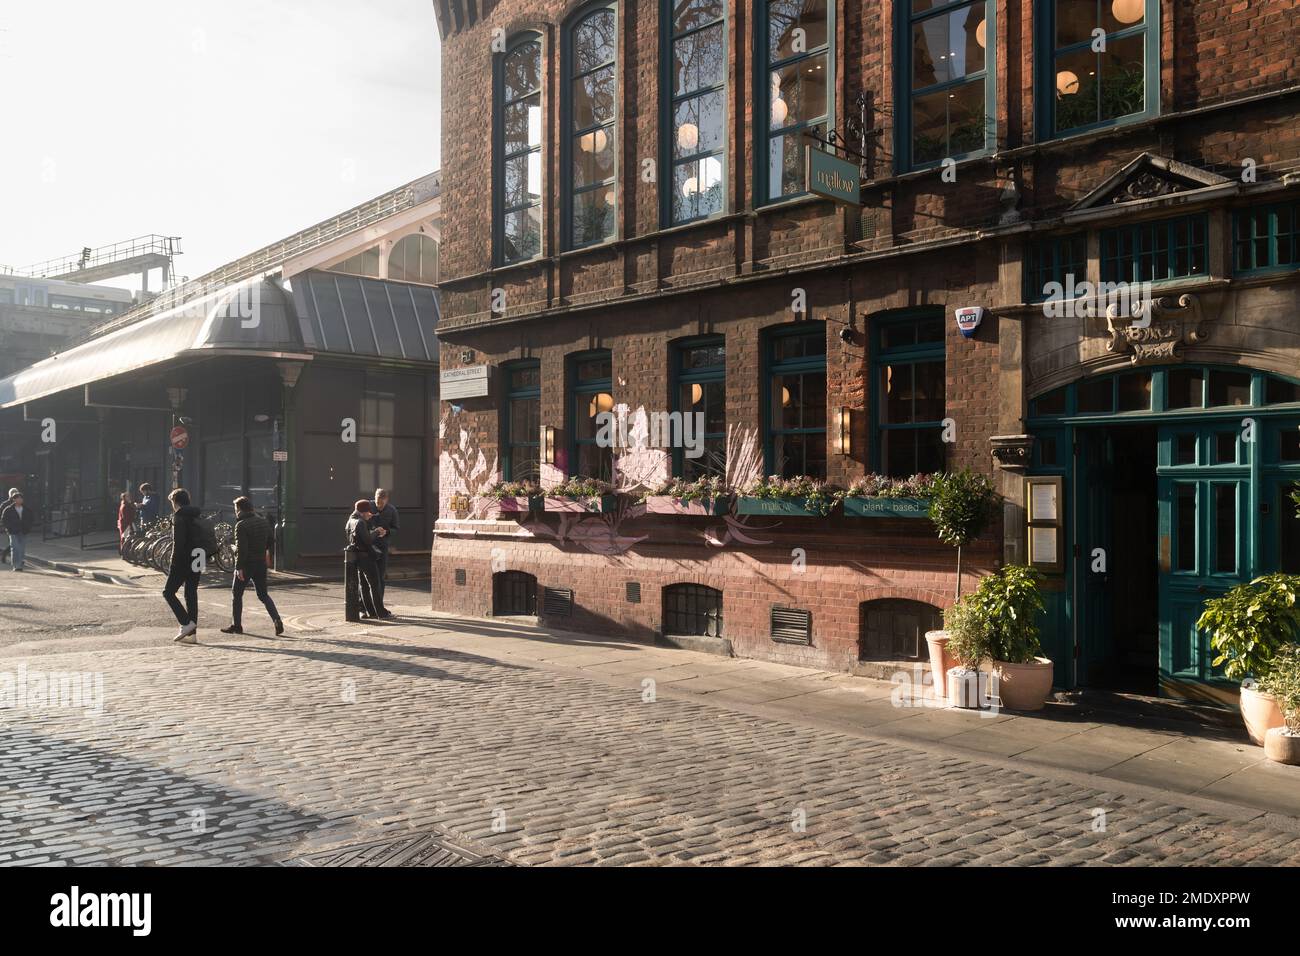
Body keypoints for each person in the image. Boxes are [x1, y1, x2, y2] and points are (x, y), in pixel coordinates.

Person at [221, 497, 283, 636]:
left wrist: (238, 567)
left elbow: (242, 549)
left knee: (237, 594)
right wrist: (261, 550)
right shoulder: (263, 522)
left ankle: (236, 625)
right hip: (260, 563)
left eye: (236, 509)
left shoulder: (241, 525)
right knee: (263, 595)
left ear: (240, 509)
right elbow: (271, 540)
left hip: (246, 564)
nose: (235, 512)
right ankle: (277, 619)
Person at [162, 488, 202, 644]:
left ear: (175, 501)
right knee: (191, 593)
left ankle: (186, 623)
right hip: (200, 556)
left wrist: (173, 561)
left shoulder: (179, 516)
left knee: (168, 592)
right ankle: (192, 635)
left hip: (184, 558)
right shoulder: (197, 514)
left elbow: (178, 542)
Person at [345, 499, 381, 619]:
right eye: (368, 512)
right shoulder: (360, 523)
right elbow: (368, 540)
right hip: (366, 557)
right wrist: (376, 532)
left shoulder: (350, 521)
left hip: (358, 558)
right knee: (375, 585)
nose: (370, 514)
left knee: (364, 586)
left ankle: (371, 612)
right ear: (362, 512)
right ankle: (380, 612)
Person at [369, 487, 399, 618]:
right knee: (367, 579)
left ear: (386, 500)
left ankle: (378, 605)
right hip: (368, 547)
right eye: (376, 502)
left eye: (381, 503)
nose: (378, 505)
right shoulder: (368, 506)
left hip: (382, 547)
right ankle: (365, 607)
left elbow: (396, 528)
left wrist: (386, 532)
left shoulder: (392, 511)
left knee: (380, 578)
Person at [1, 490, 33, 572]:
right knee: (15, 548)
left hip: (23, 531)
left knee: (21, 548)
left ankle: (20, 563)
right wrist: (8, 529)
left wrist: (28, 528)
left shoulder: (26, 509)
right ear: (14, 499)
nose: (20, 500)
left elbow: (31, 519)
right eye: (18, 498)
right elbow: (4, 520)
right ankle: (16, 565)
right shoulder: (8, 509)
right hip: (13, 532)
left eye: (21, 498)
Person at [0, 488, 16, 565]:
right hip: (8, 526)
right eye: (14, 493)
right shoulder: (4, 505)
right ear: (11, 495)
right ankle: (8, 556)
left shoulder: (19, 503)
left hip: (17, 526)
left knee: (14, 543)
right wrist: (3, 525)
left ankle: (6, 555)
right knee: (14, 543)